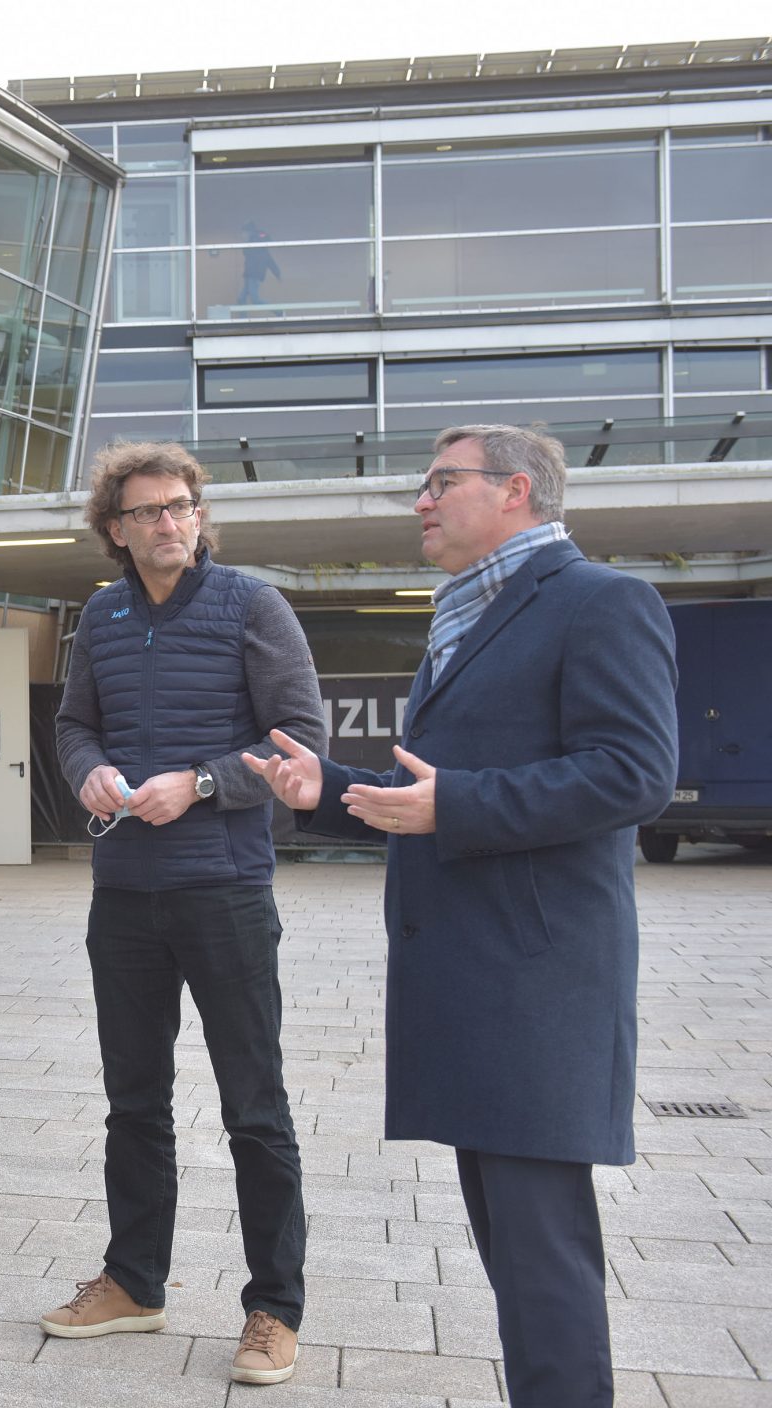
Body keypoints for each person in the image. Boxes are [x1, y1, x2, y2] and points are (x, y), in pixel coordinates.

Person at [244, 425, 677, 1406]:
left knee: (541, 1263)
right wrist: (324, 788)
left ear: (514, 490)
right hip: (479, 983)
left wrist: (458, 805)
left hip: (536, 986)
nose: (420, 502)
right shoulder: (469, 615)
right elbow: (432, 792)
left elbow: (633, 772)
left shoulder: (599, 602)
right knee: (514, 1265)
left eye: (441, 482)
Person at [42, 441, 324, 1387]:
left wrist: (200, 783)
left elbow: (301, 742)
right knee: (134, 1102)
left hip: (225, 890)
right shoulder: (104, 614)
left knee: (254, 1107)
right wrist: (90, 771)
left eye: (183, 506)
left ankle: (273, 1309)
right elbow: (74, 724)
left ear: (199, 516)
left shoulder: (254, 605)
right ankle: (134, 1283)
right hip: (123, 895)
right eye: (149, 510)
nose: (170, 521)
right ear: (115, 529)